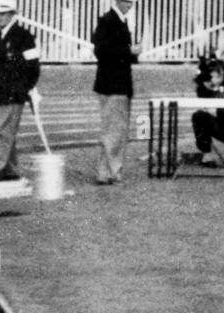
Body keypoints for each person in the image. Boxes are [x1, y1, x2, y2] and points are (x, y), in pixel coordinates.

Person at [0, 2, 40, 184]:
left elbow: (33, 65)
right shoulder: (3, 35)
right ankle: (10, 168)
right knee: (4, 129)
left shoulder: (23, 36)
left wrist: (27, 87)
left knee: (2, 129)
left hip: (13, 90)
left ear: (12, 14)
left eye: (3, 14)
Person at [91, 0, 140, 186]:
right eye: (127, 1)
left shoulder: (115, 21)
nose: (130, 5)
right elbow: (102, 52)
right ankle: (111, 170)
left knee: (111, 129)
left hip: (113, 84)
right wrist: (130, 51)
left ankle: (105, 170)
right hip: (114, 85)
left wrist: (131, 54)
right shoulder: (109, 21)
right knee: (115, 130)